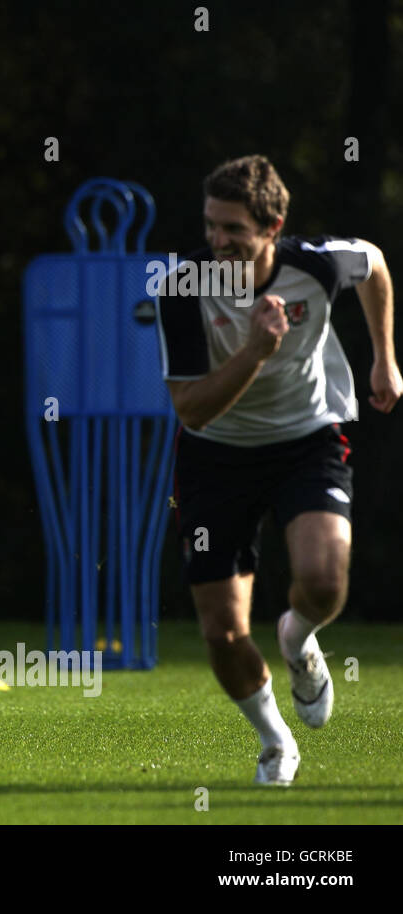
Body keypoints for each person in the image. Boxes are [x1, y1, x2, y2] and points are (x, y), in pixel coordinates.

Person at [156, 155, 399, 785]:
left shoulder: (316, 263)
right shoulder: (181, 287)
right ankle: (275, 742)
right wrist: (257, 352)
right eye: (212, 226)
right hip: (215, 458)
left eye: (234, 229)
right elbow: (193, 410)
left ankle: (298, 640)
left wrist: (383, 360)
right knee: (222, 633)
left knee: (322, 583)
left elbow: (372, 262)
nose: (218, 241)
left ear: (273, 228)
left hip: (306, 440)